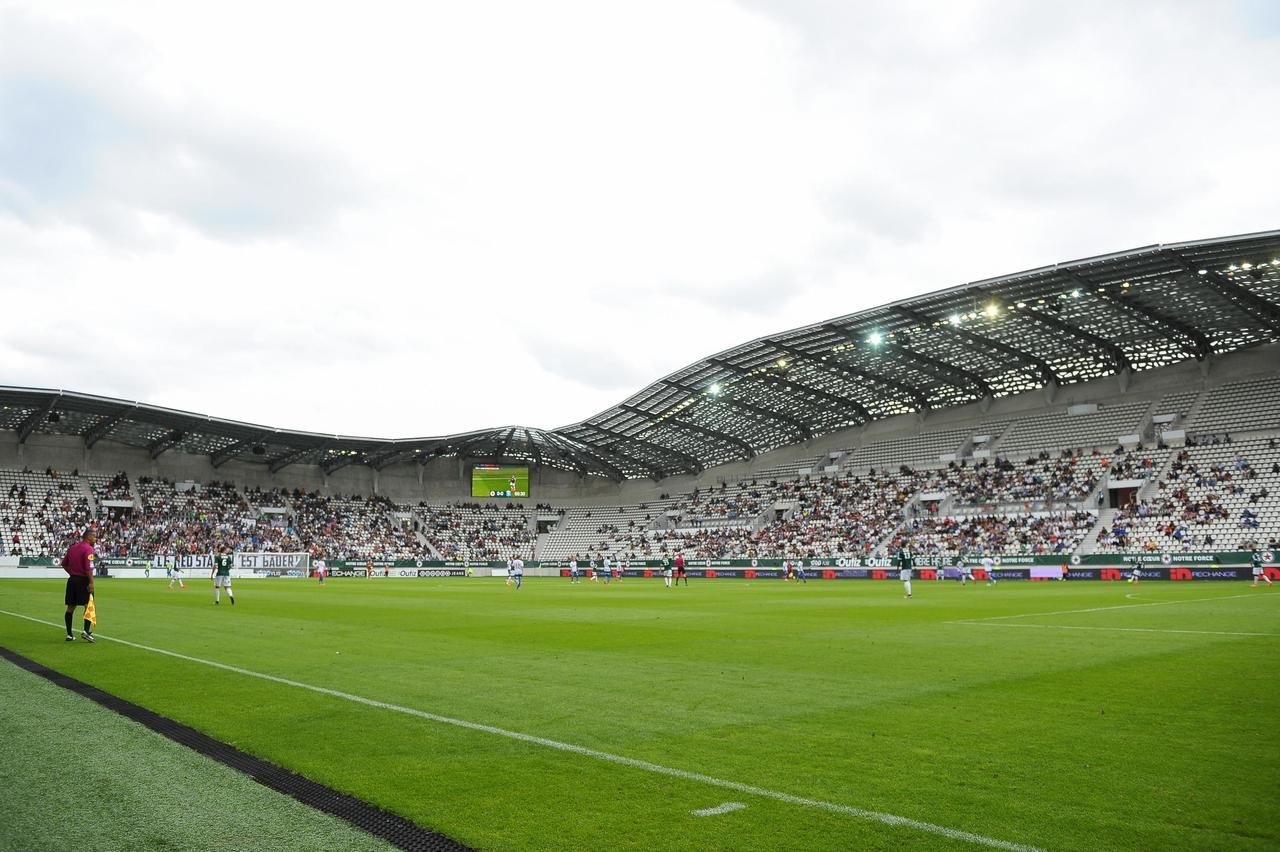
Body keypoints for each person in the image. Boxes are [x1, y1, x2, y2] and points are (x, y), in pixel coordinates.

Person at [62, 529, 97, 642]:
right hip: (83, 581)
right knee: (89, 605)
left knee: (70, 607)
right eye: (94, 537)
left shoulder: (72, 548)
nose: (95, 539)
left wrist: (72, 573)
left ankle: (69, 634)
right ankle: (86, 631)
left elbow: (64, 564)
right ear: (89, 537)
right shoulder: (88, 549)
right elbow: (88, 569)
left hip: (72, 580)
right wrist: (91, 582)